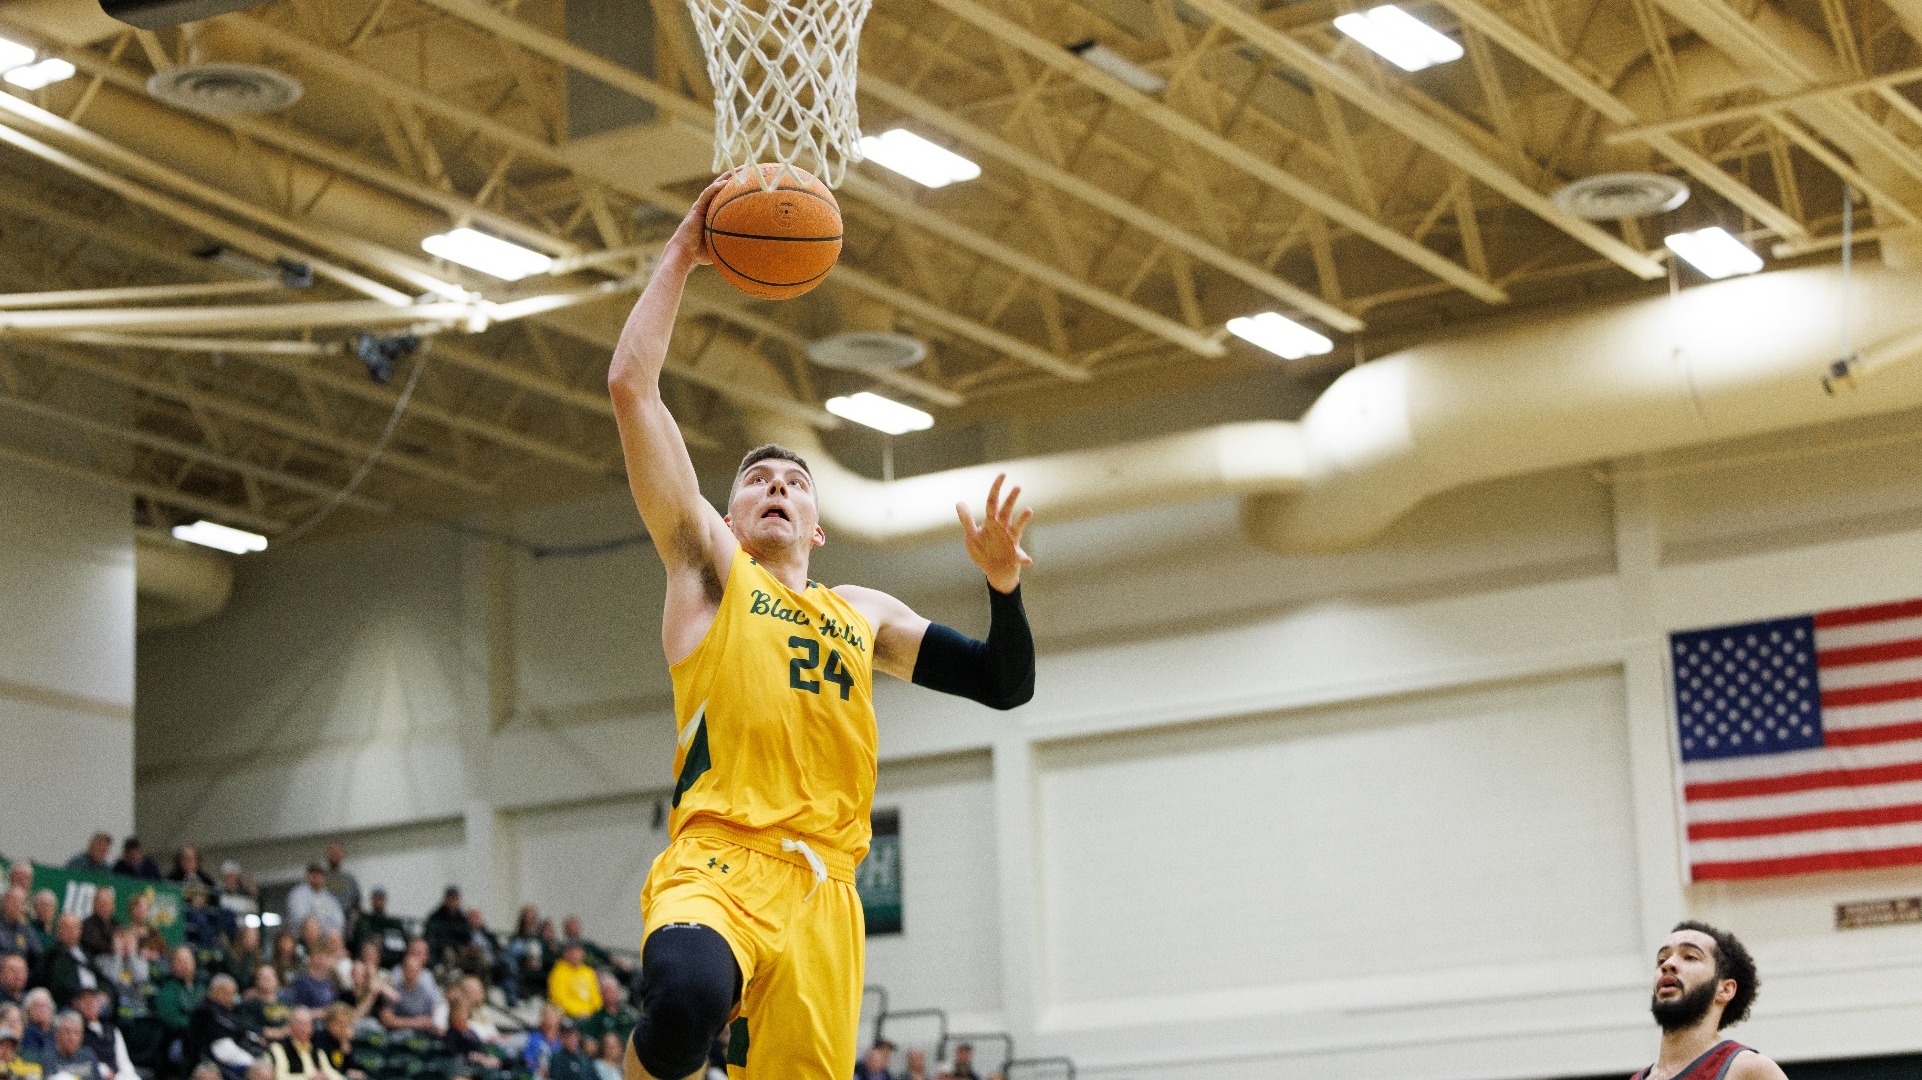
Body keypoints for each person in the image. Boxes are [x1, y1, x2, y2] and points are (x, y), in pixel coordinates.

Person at [606, 182, 1036, 1080]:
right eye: (757, 479)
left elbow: (1005, 683)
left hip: (826, 895)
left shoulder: (864, 614)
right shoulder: (707, 574)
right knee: (684, 1000)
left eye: (794, 483)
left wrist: (1002, 588)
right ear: (726, 513)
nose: (775, 486)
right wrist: (683, 253)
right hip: (718, 861)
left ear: (817, 526)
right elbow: (631, 388)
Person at [1635, 922, 1787, 1080]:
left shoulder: (1748, 1069)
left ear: (1725, 989)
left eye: (1690, 957)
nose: (1667, 964)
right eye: (1661, 959)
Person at [186, 975, 257, 1075]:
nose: (232, 999)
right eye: (230, 994)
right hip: (212, 1061)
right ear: (217, 992)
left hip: (230, 1054)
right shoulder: (206, 1012)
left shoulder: (225, 1010)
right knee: (256, 1068)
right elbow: (234, 1032)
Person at [36, 917, 106, 1008]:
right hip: (70, 1004)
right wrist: (81, 997)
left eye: (75, 928)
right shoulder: (52, 955)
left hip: (95, 1002)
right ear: (58, 931)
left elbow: (101, 978)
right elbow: (55, 985)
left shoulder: (85, 953)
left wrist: (105, 993)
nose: (71, 931)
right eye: (67, 928)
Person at [376, 943, 439, 1035]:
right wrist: (415, 1023)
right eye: (407, 969)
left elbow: (432, 1020)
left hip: (421, 1035)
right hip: (397, 1034)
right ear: (403, 970)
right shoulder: (395, 991)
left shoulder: (426, 993)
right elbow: (386, 1019)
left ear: (419, 972)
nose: (410, 973)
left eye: (413, 970)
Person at [155, 947, 203, 1065]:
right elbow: (171, 1019)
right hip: (178, 1040)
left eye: (187, 960)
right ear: (172, 965)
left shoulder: (201, 987)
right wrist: (196, 1025)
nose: (184, 965)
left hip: (203, 1037)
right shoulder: (167, 990)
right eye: (179, 961)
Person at [73, 990, 132, 1080]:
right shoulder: (76, 1030)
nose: (90, 1006)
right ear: (78, 1005)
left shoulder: (112, 1029)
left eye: (92, 1002)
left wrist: (128, 1075)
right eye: (86, 1002)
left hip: (118, 1075)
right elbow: (79, 1057)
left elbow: (123, 1059)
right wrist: (103, 1071)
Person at [265, 1008, 338, 1080]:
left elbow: (330, 1072)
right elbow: (280, 1077)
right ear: (290, 1026)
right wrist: (309, 1077)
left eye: (307, 1025)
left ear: (312, 1028)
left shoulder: (317, 1049)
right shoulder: (278, 1047)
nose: (304, 1029)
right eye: (300, 1024)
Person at [348, 893, 403, 972]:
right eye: (377, 898)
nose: (379, 902)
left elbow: (398, 951)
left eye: (381, 899)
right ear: (372, 900)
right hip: (363, 966)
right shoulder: (363, 922)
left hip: (388, 966)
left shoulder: (393, 924)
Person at [545, 943, 599, 1021]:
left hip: (590, 1015)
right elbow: (558, 999)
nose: (575, 955)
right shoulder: (558, 972)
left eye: (578, 951)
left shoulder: (589, 972)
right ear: (565, 953)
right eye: (572, 952)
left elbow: (596, 997)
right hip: (569, 1016)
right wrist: (578, 1012)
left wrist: (592, 1012)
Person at [284, 870, 343, 941]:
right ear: (308, 877)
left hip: (326, 939)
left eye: (320, 877)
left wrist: (333, 933)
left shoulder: (328, 897)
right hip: (302, 938)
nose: (318, 879)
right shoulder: (298, 893)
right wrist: (316, 927)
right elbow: (298, 916)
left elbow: (339, 919)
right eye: (314, 876)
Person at [575, 975, 635, 1044]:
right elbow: (589, 1037)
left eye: (612, 990)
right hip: (603, 1052)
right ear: (601, 994)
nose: (610, 994)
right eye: (607, 991)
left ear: (618, 991)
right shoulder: (596, 1017)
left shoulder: (629, 1013)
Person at [237, 968, 289, 1044]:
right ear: (257, 982)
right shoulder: (250, 1005)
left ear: (277, 981)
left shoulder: (285, 1002)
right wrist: (269, 1032)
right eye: (263, 978)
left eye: (270, 978)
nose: (267, 981)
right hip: (264, 1045)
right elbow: (248, 1027)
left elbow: (292, 1021)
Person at [42, 1012, 99, 1080]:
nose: (72, 1037)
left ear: (82, 1036)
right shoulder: (47, 1058)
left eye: (76, 1032)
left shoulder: (89, 1055)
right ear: (57, 1034)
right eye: (67, 1032)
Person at [420, 890, 466, 968]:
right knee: (449, 953)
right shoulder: (435, 917)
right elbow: (431, 938)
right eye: (451, 899)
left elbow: (466, 936)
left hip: (459, 949)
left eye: (455, 899)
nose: (453, 902)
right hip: (440, 950)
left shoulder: (462, 918)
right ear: (445, 900)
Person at [310, 1005, 358, 1080]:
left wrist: (345, 1045)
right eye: (340, 1023)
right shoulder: (318, 1037)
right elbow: (329, 1066)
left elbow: (351, 1067)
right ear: (329, 1023)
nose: (344, 1027)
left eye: (347, 1023)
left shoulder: (342, 1040)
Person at [319, 848, 359, 934]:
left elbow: (357, 905)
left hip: (346, 925)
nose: (335, 855)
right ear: (327, 855)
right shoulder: (320, 878)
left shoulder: (349, 879)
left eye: (337, 852)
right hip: (324, 924)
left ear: (342, 855)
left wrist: (354, 923)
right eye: (332, 852)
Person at [520, 1007, 561, 1077]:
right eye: (546, 1017)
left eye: (552, 1017)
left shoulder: (563, 1039)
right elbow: (528, 1059)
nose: (549, 1020)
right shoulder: (534, 1038)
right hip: (537, 1074)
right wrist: (537, 1069)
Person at [0, 890, 39, 963]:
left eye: (21, 903)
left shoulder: (26, 929)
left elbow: (38, 955)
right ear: (4, 902)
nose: (17, 905)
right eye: (13, 901)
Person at [78, 892, 117, 961]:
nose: (104, 907)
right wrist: (115, 947)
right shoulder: (86, 925)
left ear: (113, 905)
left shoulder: (117, 924)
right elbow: (96, 945)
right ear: (94, 904)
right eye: (101, 903)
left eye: (107, 904)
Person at [19, 993, 53, 1062]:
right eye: (37, 1006)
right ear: (28, 1010)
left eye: (45, 1006)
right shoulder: (26, 1033)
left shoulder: (55, 1032)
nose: (41, 1010)